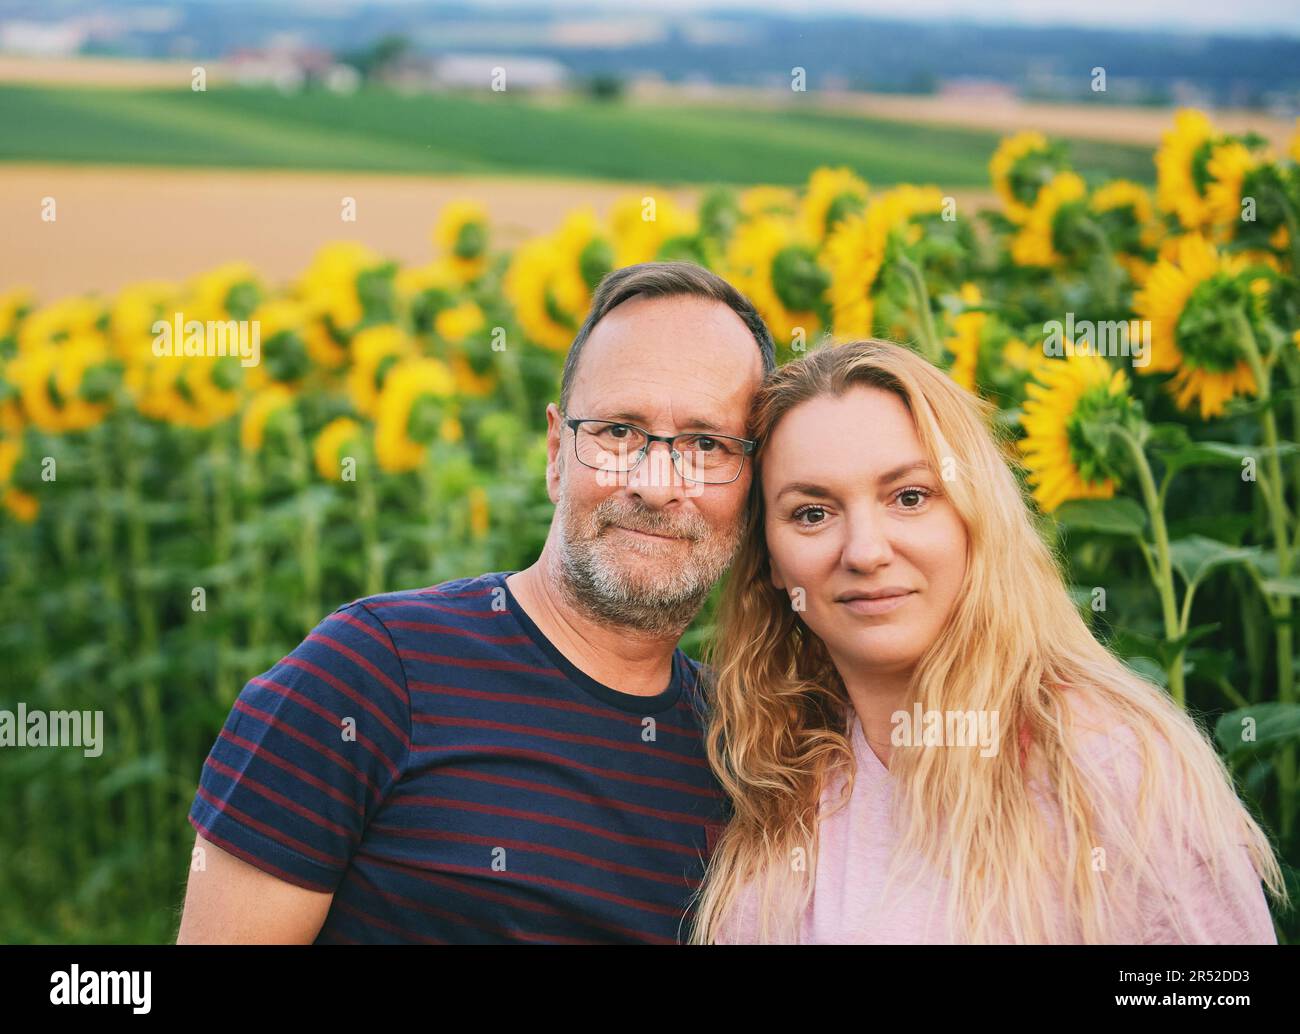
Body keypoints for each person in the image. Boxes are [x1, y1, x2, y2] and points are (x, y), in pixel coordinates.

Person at [176, 261, 773, 943]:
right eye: (617, 432)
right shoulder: (367, 676)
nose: (657, 483)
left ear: (754, 486)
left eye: (704, 444)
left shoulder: (746, 758)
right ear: (555, 452)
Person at [691, 338, 1286, 944]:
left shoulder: (1107, 765)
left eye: (910, 497)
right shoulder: (771, 776)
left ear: (977, 514)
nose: (866, 551)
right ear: (768, 559)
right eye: (812, 513)